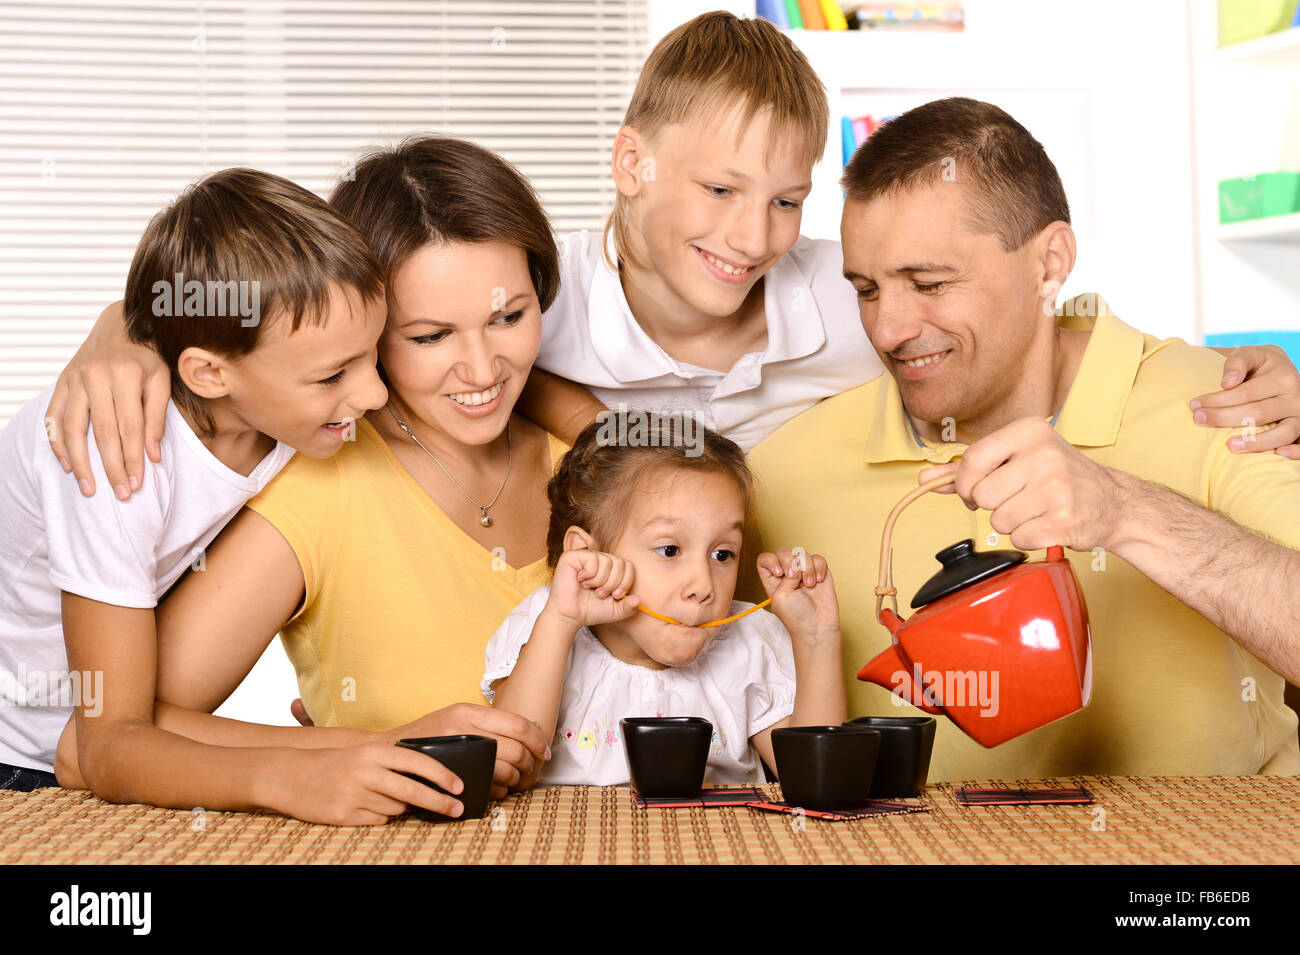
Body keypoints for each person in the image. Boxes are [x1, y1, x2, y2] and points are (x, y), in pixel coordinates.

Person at [44, 11, 1300, 491]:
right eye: (718, 189)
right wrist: (132, 329)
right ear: (629, 163)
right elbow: (321, 293)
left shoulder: (840, 287)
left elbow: (1021, 316)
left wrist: (1245, 375)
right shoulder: (535, 303)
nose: (751, 238)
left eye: (784, 201)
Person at [745, 97, 1300, 781]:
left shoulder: (1225, 402)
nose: (887, 330)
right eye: (866, 289)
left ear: (1050, 262)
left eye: (930, 283)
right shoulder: (782, 471)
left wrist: (1128, 511)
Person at [48, 138, 559, 819]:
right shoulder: (322, 479)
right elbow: (102, 739)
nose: (482, 367)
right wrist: (369, 749)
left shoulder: (592, 459)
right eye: (430, 336)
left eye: (509, 316)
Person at [484, 412, 845, 786]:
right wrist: (560, 621)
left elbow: (818, 778)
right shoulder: (547, 623)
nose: (704, 585)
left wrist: (817, 639)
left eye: (723, 554)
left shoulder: (747, 643)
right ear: (585, 555)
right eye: (670, 550)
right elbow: (513, 769)